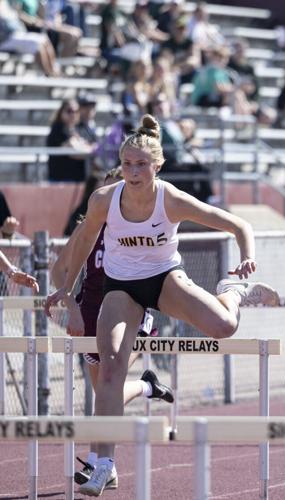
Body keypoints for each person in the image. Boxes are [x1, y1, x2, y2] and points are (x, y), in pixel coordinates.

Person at [43, 114, 279, 496]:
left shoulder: (170, 198)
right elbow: (84, 243)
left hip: (164, 279)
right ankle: (104, 464)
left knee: (224, 327)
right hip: (120, 288)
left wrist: (247, 256)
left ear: (157, 165)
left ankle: (232, 290)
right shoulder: (105, 199)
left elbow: (239, 226)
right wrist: (67, 292)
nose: (133, 172)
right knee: (109, 369)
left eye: (141, 164)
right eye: (127, 164)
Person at [51, 167, 175, 490]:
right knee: (104, 395)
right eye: (106, 194)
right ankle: (146, 389)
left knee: (109, 382)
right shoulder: (88, 226)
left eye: (118, 193)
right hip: (93, 317)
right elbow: (58, 272)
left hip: (132, 316)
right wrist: (73, 309)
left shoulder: (138, 226)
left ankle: (97, 463)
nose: (112, 202)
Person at [47, 98, 94, 182]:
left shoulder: (81, 128)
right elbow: (74, 151)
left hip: (79, 179)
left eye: (76, 111)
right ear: (61, 112)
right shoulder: (58, 129)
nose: (73, 114)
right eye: (69, 111)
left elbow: (93, 144)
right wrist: (88, 149)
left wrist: (85, 147)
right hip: (60, 180)